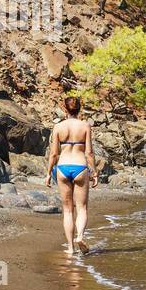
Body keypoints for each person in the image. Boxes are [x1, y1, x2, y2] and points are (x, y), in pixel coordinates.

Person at [44, 95, 99, 255]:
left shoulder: (58, 127)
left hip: (62, 167)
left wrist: (48, 173)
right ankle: (80, 236)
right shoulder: (85, 126)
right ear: (79, 109)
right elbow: (89, 152)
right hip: (80, 166)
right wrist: (94, 172)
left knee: (67, 210)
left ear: (64, 109)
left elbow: (54, 154)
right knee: (81, 208)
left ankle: (70, 248)